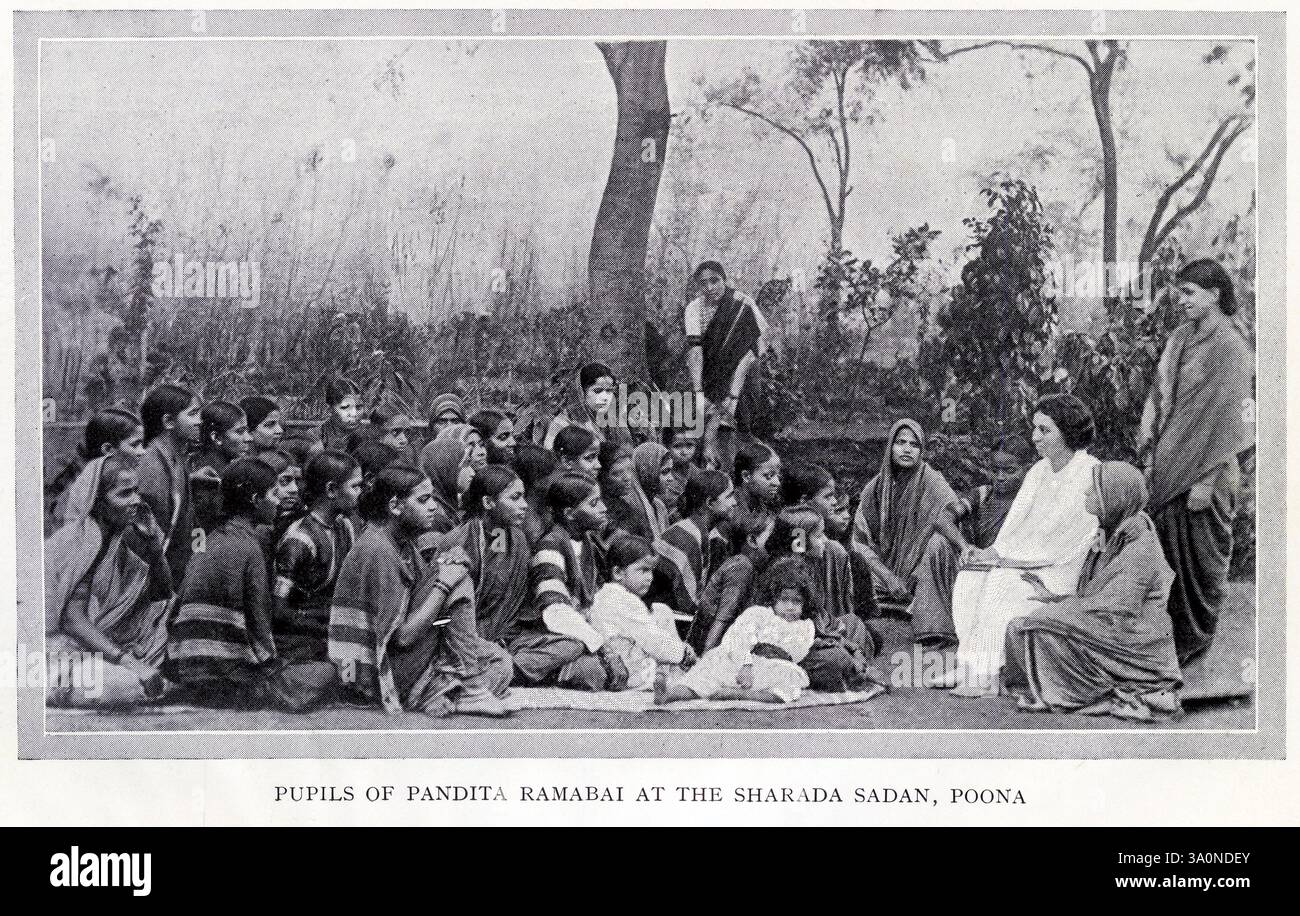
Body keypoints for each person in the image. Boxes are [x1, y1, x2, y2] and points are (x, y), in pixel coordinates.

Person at [1138, 259, 1254, 665]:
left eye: (1189, 293)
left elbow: (1230, 420)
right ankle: (1162, 642)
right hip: (1168, 467)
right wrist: (1150, 454)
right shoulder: (1179, 338)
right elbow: (1159, 396)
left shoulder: (1233, 348)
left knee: (1200, 562)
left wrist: (1204, 482)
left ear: (1214, 295)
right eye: (1179, 293)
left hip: (1208, 474)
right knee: (1165, 556)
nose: (1181, 301)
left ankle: (1193, 641)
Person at [328, 464, 513, 718]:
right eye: (424, 500)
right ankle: (468, 690)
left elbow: (427, 601)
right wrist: (445, 582)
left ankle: (445, 692)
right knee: (458, 580)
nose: (433, 507)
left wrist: (446, 565)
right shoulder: (378, 549)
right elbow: (402, 637)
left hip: (412, 650)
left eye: (433, 499)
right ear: (395, 506)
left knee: (501, 661)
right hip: (377, 673)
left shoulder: (399, 542)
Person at [946, 394, 1101, 697]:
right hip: (1022, 560)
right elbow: (1015, 526)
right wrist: (993, 553)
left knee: (1002, 582)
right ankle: (968, 663)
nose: (1035, 437)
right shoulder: (1039, 470)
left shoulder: (1089, 472)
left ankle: (988, 674)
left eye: (1045, 430)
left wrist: (1006, 562)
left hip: (1060, 570)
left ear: (1068, 432)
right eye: (1035, 428)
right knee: (970, 577)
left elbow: (1065, 541)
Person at [1004, 462, 1182, 721]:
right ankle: (1043, 689)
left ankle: (1089, 695)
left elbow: (1117, 607)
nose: (1086, 492)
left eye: (1095, 489)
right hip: (1103, 621)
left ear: (1115, 497)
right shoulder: (1105, 532)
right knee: (1017, 627)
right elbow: (1093, 594)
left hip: (1132, 636)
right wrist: (1054, 598)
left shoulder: (1141, 544)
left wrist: (1061, 609)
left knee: (1040, 623)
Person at [164, 458, 336, 710]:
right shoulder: (250, 547)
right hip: (228, 673)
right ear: (256, 500)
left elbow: (178, 608)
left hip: (184, 664)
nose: (279, 500)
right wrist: (273, 663)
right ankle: (247, 692)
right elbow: (259, 620)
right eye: (274, 493)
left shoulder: (211, 539)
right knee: (327, 673)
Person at [442, 466, 600, 690]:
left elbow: (513, 592)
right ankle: (501, 672)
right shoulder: (458, 542)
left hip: (508, 634)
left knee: (573, 647)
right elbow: (443, 614)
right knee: (584, 667)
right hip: (465, 636)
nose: (524, 505)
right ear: (488, 502)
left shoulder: (514, 538)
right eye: (515, 498)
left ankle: (506, 671)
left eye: (524, 497)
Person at [44, 454, 173, 707]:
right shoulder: (82, 540)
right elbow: (72, 620)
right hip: (51, 650)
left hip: (89, 649)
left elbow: (162, 594)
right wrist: (132, 664)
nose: (136, 501)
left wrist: (154, 546)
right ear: (98, 502)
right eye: (124, 494)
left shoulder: (116, 543)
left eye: (136, 491)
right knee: (130, 685)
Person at [911, 436, 1034, 649]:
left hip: (1007, 572)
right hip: (975, 565)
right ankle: (938, 629)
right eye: (995, 470)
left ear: (1027, 468)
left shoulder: (1032, 500)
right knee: (938, 542)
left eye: (1009, 471)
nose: (1000, 477)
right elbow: (943, 519)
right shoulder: (984, 494)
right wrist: (965, 546)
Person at [655, 557, 814, 705]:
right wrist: (747, 664)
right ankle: (670, 694)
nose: (790, 607)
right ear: (774, 597)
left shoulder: (805, 626)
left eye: (796, 601)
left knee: (790, 682)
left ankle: (741, 694)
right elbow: (740, 638)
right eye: (784, 600)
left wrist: (777, 654)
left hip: (775, 668)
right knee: (709, 670)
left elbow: (797, 652)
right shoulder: (759, 613)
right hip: (743, 663)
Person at [766, 505, 884, 691]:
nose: (825, 541)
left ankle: (855, 668)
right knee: (837, 658)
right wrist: (843, 645)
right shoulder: (787, 573)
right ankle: (853, 671)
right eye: (819, 535)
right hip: (793, 644)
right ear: (800, 540)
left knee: (853, 623)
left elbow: (820, 617)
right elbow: (800, 630)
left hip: (818, 633)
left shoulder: (807, 565)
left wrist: (847, 643)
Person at [850, 418, 959, 615]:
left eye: (914, 444)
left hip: (921, 574)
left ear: (921, 450)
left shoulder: (933, 483)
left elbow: (950, 525)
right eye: (901, 442)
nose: (907, 449)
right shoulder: (875, 489)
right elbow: (860, 541)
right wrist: (888, 577)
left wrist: (918, 571)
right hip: (883, 575)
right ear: (890, 447)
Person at [272, 450, 362, 663]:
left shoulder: (344, 526)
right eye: (355, 486)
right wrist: (331, 625)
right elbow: (279, 611)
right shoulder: (300, 540)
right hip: (299, 643)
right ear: (331, 490)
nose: (360, 493)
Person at [589, 534, 694, 690]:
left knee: (661, 611)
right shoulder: (624, 601)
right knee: (662, 619)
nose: (650, 577)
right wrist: (683, 654)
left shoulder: (604, 595)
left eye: (651, 571)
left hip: (616, 662)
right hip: (630, 669)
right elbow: (653, 641)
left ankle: (679, 668)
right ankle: (679, 671)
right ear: (618, 573)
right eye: (643, 570)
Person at [650, 469, 736, 642]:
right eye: (729, 496)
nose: (734, 502)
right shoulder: (687, 535)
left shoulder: (702, 532)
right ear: (710, 503)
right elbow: (684, 602)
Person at [684, 260, 768, 430]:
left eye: (714, 280)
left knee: (738, 427)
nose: (709, 288)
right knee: (701, 426)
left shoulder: (743, 305)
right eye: (703, 283)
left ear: (724, 279)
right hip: (708, 377)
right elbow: (695, 351)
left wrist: (733, 396)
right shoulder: (694, 308)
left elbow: (755, 349)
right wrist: (699, 392)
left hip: (742, 375)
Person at [137, 383, 203, 584]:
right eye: (193, 414)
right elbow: (148, 537)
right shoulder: (152, 465)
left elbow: (190, 519)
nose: (200, 421)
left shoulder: (174, 457)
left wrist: (200, 555)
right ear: (168, 422)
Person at [49, 408, 146, 530]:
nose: (142, 451)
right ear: (108, 450)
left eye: (142, 444)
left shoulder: (119, 482)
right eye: (135, 445)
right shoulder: (73, 501)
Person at [697, 511, 768, 652]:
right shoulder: (742, 566)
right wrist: (706, 658)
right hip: (711, 643)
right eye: (771, 535)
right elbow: (722, 618)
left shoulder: (746, 564)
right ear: (752, 540)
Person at [192, 401, 253, 534]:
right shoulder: (207, 477)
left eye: (247, 431)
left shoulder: (226, 469)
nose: (249, 438)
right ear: (216, 437)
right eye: (240, 432)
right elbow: (200, 531)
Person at [543, 361, 630, 449]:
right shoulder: (564, 422)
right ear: (583, 393)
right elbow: (551, 453)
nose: (605, 397)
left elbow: (627, 451)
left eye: (609, 390)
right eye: (597, 391)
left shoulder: (614, 422)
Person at [418, 438, 475, 536]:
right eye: (465, 464)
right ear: (446, 468)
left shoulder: (447, 504)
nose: (472, 473)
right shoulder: (435, 517)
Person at [511, 443, 557, 547]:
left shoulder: (544, 504)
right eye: (550, 473)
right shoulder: (525, 517)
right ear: (537, 480)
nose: (555, 477)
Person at [319, 378, 361, 453]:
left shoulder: (367, 437)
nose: (354, 414)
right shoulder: (317, 436)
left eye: (358, 407)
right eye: (346, 407)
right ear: (330, 409)